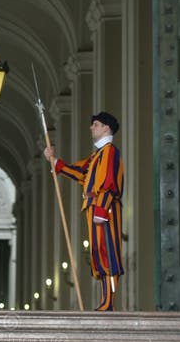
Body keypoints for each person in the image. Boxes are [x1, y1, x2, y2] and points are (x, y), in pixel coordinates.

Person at [44, 112, 124, 311]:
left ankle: (109, 302)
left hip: (105, 210)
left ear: (106, 128)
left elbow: (110, 183)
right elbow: (80, 172)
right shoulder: (97, 155)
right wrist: (55, 161)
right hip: (94, 209)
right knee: (98, 254)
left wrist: (101, 209)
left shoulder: (110, 152)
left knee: (108, 253)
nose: (91, 127)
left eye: (95, 124)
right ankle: (105, 300)